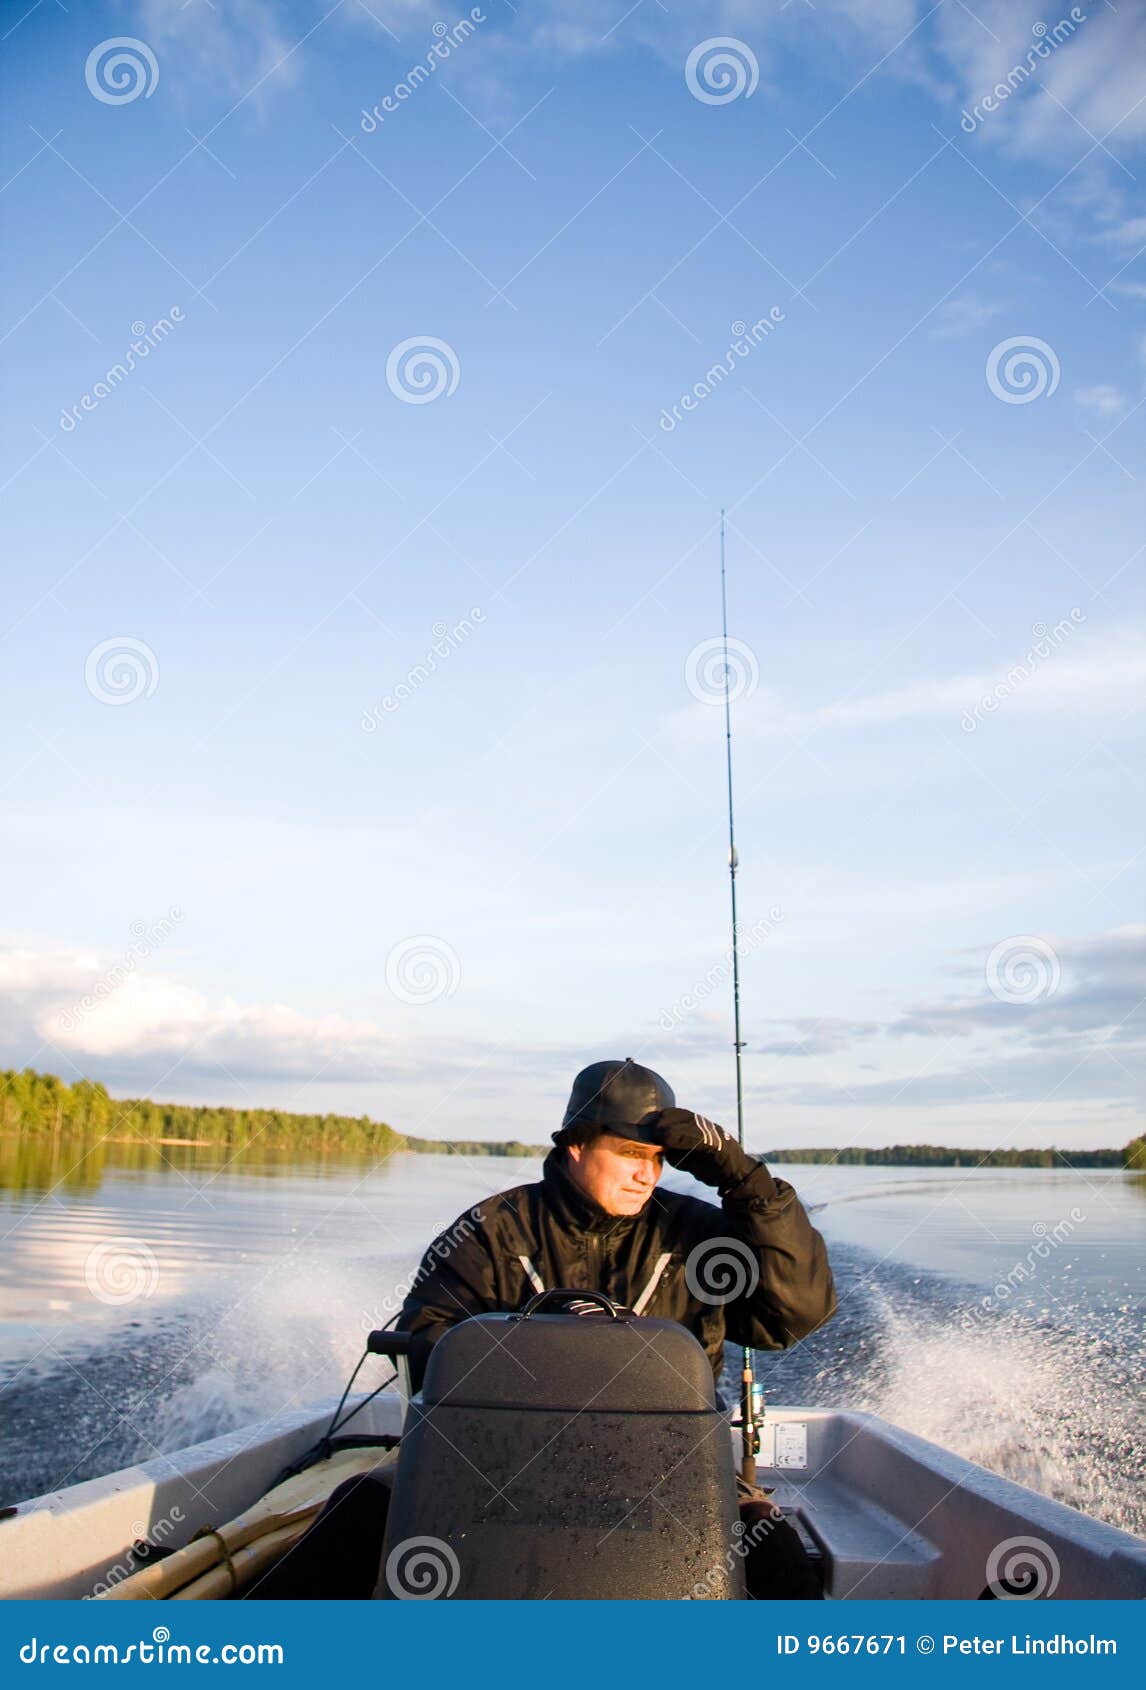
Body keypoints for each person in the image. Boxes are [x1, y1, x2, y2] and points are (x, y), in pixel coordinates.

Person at [250, 1058, 836, 1600]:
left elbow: (795, 1314)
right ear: (577, 1145)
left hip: (672, 1474)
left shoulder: (697, 1238)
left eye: (658, 1158)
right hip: (492, 1468)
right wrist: (540, 1347)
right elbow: (429, 1343)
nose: (646, 1175)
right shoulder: (492, 1231)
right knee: (357, 1512)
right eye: (632, 1152)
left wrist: (747, 1183)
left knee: (773, 1551)